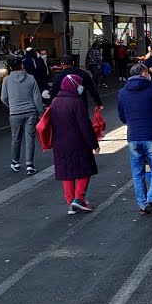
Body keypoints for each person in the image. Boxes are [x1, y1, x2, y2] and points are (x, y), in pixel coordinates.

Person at [118, 63, 152, 217]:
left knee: (137, 172)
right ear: (144, 74)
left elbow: (122, 116)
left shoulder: (122, 93)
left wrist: (133, 125)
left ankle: (142, 205)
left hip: (133, 137)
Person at [46, 73, 99, 216]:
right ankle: (79, 198)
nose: (81, 88)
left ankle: (70, 203)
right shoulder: (77, 102)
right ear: (74, 85)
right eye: (79, 84)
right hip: (78, 142)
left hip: (60, 143)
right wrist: (94, 143)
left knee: (67, 172)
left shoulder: (55, 101)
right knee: (85, 168)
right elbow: (85, 125)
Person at [1, 58, 43, 175]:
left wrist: (11, 106)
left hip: (14, 113)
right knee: (30, 138)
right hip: (31, 112)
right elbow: (37, 98)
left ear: (10, 68)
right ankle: (30, 164)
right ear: (22, 66)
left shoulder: (7, 80)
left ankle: (15, 162)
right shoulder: (31, 78)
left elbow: (3, 97)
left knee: (16, 138)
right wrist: (41, 113)